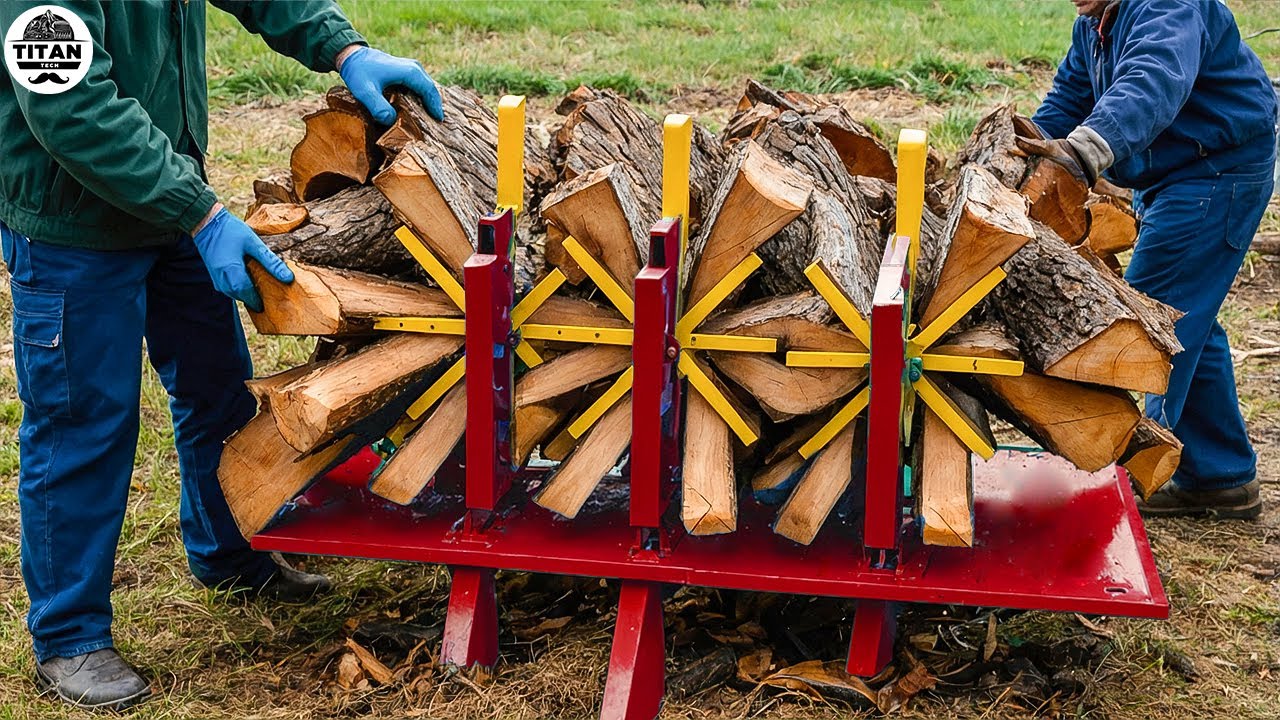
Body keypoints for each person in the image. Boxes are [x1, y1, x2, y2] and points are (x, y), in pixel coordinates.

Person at [0, 0, 444, 710]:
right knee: (82, 420)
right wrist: (202, 215)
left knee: (218, 389)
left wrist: (344, 48)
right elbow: (70, 106)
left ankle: (230, 556)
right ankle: (69, 635)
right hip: (73, 225)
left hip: (170, 197)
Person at [1020, 0, 1275, 520]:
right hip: (1178, 169)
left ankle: (1142, 468)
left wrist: (1086, 150)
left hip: (1215, 171)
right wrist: (1023, 151)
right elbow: (1071, 96)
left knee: (1149, 323)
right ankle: (1220, 477)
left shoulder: (1167, 7)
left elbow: (1152, 79)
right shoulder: (1096, 21)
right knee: (1183, 311)